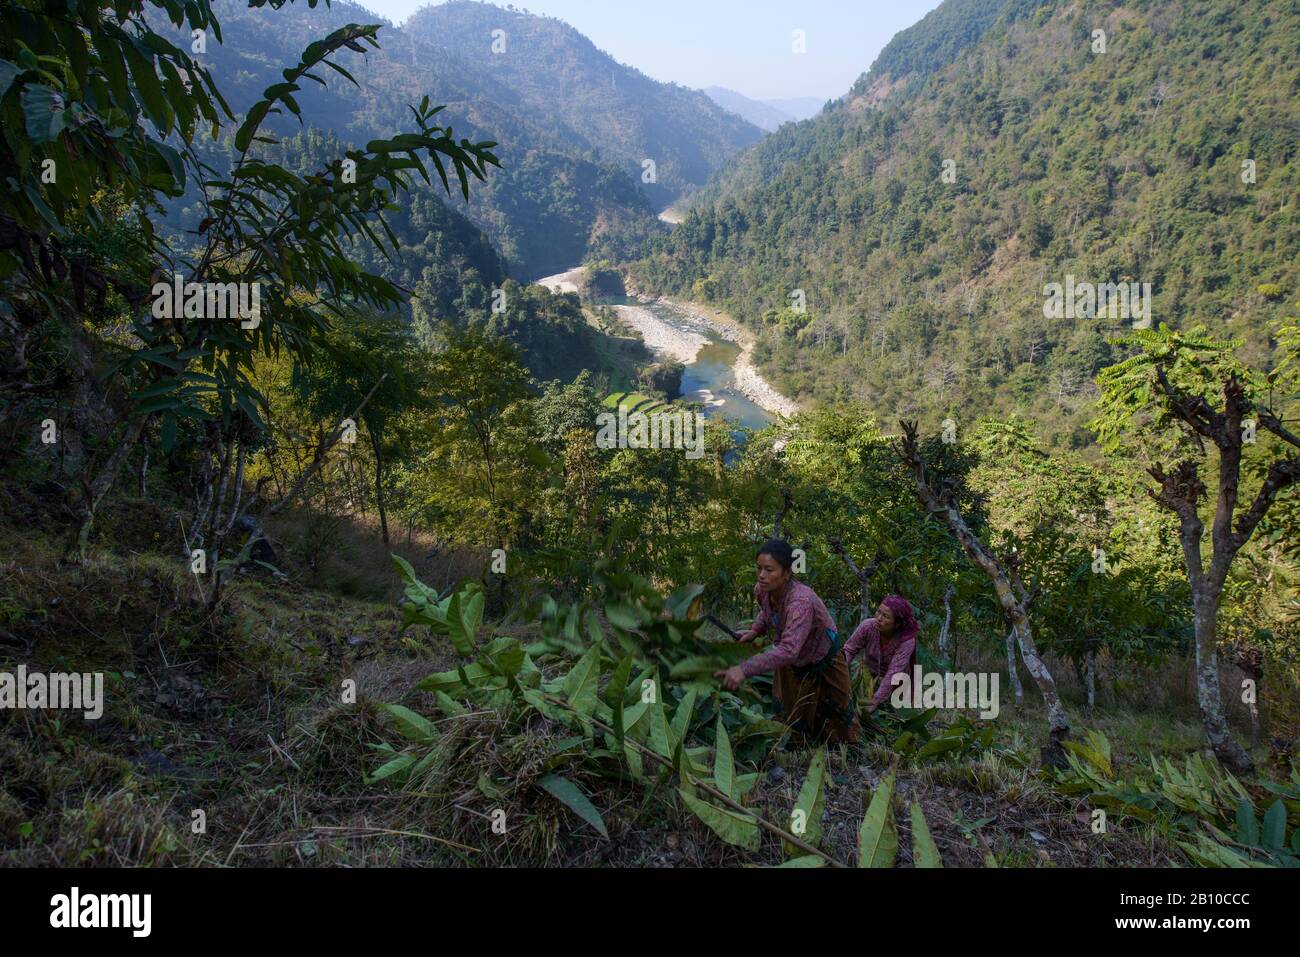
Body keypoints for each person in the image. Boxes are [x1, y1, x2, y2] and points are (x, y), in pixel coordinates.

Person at [714, 539, 859, 744]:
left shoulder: (801, 601)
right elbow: (767, 612)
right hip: (793, 659)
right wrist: (756, 630)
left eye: (770, 570)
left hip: (823, 655)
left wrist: (743, 669)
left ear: (787, 573)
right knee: (792, 717)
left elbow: (789, 649)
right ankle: (796, 745)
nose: (762, 575)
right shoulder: (762, 589)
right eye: (759, 568)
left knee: (840, 717)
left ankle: (845, 751)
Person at [841, 594, 919, 716]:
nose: (879, 618)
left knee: (894, 717)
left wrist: (876, 700)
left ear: (897, 624)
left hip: (897, 684)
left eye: (885, 616)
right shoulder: (868, 626)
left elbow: (893, 673)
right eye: (878, 612)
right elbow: (849, 650)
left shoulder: (906, 641)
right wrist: (839, 674)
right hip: (869, 678)